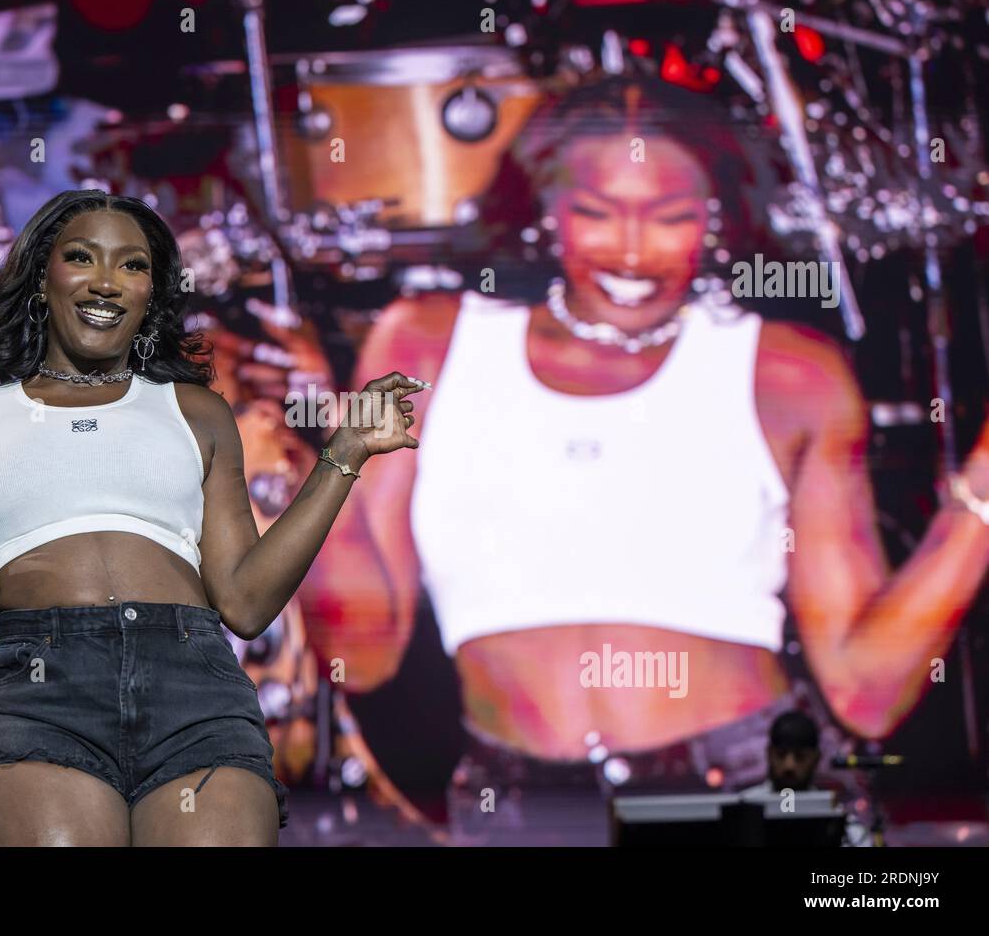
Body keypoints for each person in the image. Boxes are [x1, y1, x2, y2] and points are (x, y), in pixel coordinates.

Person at [300, 76, 989, 844]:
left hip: (746, 801)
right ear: (546, 209)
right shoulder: (423, 346)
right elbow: (359, 654)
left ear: (715, 217)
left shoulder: (786, 376)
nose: (632, 249)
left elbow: (865, 690)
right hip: (522, 812)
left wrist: (982, 493)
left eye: (671, 217)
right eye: (595, 213)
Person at [0, 190, 425, 846]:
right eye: (81, 257)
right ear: (39, 279)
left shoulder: (196, 412)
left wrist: (344, 452)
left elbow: (247, 604)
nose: (107, 282)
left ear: (151, 293)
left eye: (133, 265)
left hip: (194, 688)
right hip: (45, 691)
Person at [737, 709, 874, 847]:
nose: (789, 766)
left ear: (816, 758)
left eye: (800, 756)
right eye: (781, 754)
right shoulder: (741, 813)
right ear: (769, 754)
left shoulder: (838, 822)